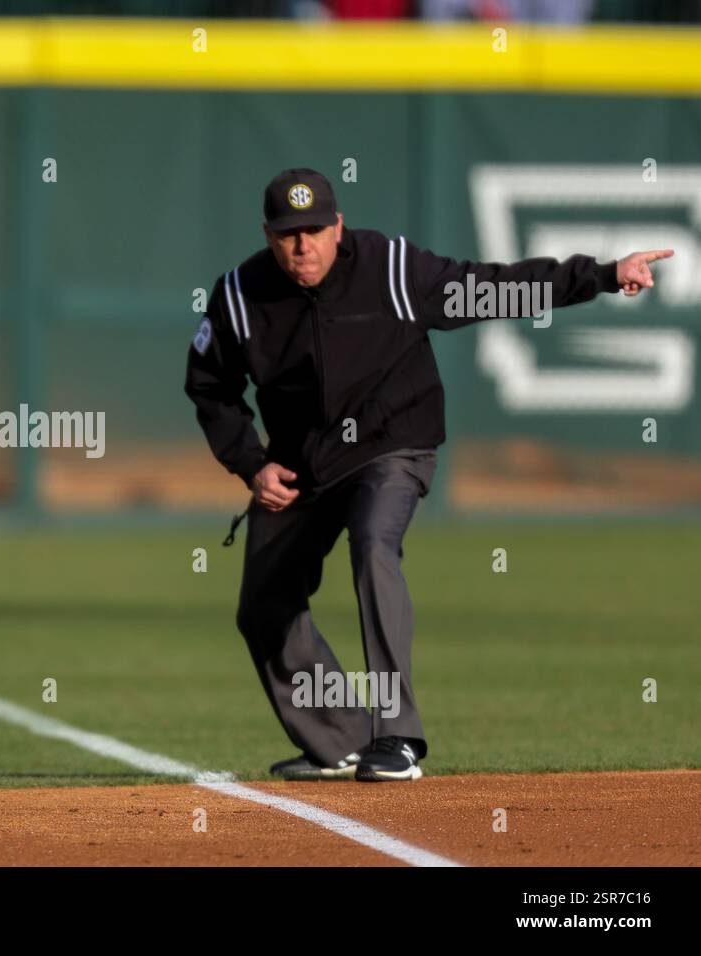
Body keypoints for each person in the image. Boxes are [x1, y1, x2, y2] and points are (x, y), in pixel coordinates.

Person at [185, 167, 670, 782]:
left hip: (392, 445)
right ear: (267, 235)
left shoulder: (391, 269)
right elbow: (209, 387)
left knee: (373, 545)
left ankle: (399, 737)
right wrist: (252, 464)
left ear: (338, 227)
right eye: (287, 234)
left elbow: (489, 288)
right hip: (301, 464)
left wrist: (599, 276)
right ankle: (340, 740)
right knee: (263, 605)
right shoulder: (239, 297)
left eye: (313, 229)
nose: (301, 246)